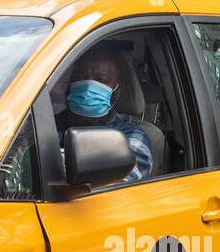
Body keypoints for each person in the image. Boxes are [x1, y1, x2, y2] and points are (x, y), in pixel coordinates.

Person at [57, 46, 152, 184]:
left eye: (100, 80)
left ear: (116, 92)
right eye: (80, 78)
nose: (88, 86)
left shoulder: (131, 137)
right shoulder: (49, 126)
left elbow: (117, 185)